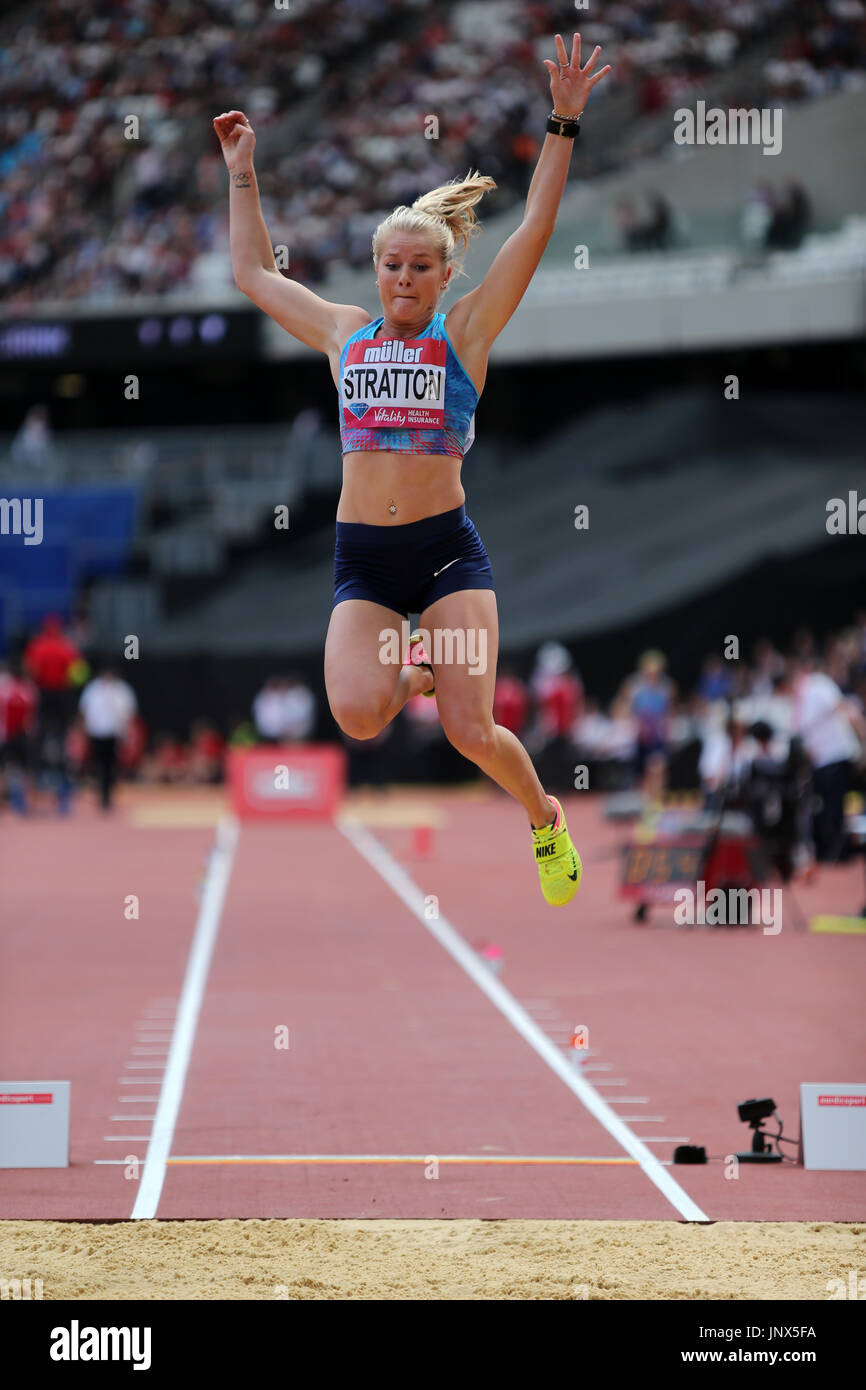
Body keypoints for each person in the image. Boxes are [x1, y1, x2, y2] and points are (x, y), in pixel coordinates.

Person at [215, 32, 612, 907]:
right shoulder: (343, 334)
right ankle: (418, 671)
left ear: (443, 273)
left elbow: (536, 229)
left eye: (420, 267)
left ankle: (545, 818)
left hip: (443, 553)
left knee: (474, 732)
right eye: (391, 266)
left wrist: (563, 122)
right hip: (364, 557)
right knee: (358, 716)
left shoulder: (463, 332)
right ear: (376, 270)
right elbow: (250, 271)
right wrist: (243, 167)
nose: (403, 279)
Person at [79, 665, 138, 810]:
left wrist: (125, 731)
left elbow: (129, 711)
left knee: (111, 765)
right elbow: (85, 710)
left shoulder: (121, 689)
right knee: (99, 764)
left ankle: (108, 794)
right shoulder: (93, 689)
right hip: (97, 732)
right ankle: (101, 793)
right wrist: (86, 729)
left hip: (114, 733)